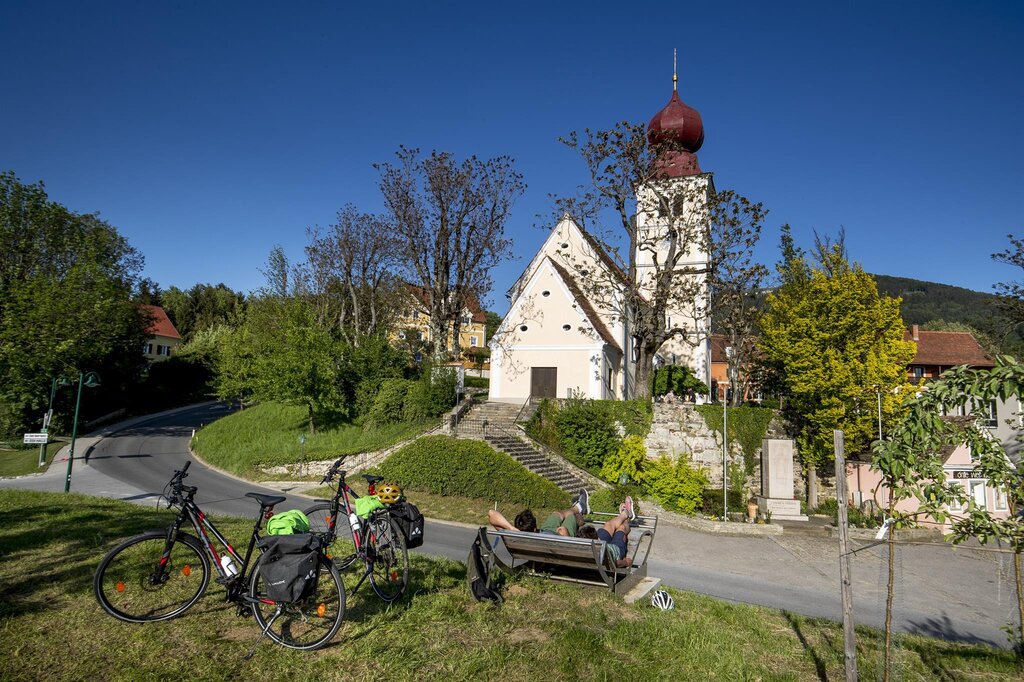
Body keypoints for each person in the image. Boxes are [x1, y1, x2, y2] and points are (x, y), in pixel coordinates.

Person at [487, 489, 591, 537]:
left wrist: (511, 528)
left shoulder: (514, 537)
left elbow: (491, 513)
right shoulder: (545, 538)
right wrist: (564, 534)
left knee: (556, 515)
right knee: (571, 517)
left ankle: (579, 507)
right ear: (535, 527)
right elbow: (565, 546)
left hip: (544, 532)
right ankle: (579, 509)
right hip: (554, 536)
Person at [596, 496, 636, 568]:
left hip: (597, 545)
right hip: (614, 550)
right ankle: (626, 517)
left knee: (608, 524)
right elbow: (618, 563)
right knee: (621, 528)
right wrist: (626, 562)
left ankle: (624, 514)